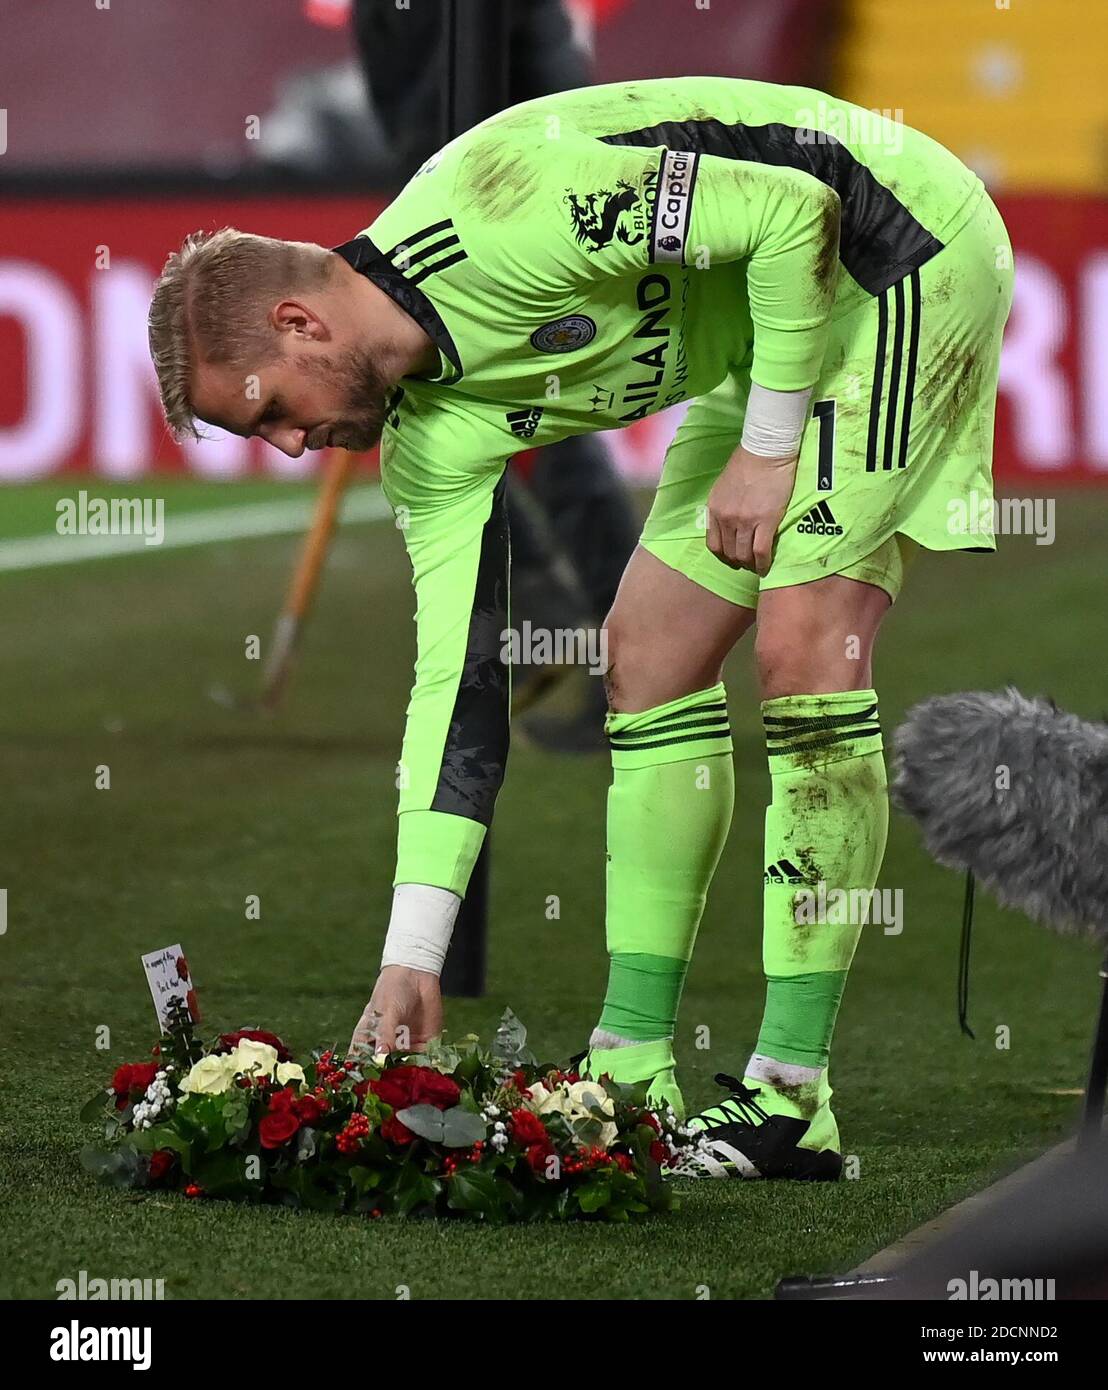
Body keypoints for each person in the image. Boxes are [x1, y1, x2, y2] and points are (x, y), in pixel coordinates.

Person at [148, 76, 1013, 1180]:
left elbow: (793, 209)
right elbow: (453, 688)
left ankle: (792, 1099)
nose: (283, 444)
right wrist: (413, 954)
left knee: (802, 645)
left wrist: (765, 445)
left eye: (267, 408)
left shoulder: (505, 207)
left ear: (301, 321)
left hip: (894, 250)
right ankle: (632, 1061)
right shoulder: (426, 444)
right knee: (644, 658)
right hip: (768, 332)